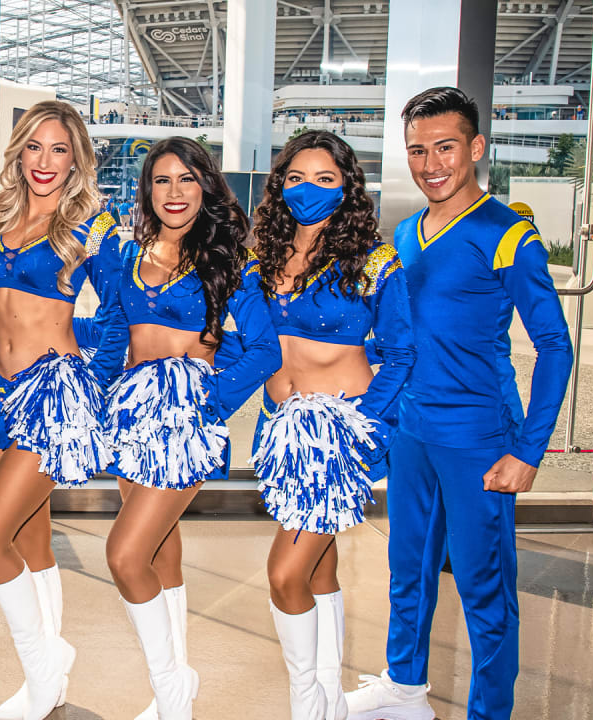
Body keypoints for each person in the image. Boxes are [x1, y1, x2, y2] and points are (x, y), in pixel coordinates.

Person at [347, 87, 573, 720]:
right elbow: (396, 335)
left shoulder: (508, 234)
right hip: (412, 432)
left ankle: (488, 712)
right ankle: (404, 688)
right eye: (417, 150)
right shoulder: (406, 233)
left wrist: (528, 450)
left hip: (478, 434)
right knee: (407, 569)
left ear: (475, 147)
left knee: (484, 589)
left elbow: (556, 347)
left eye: (445, 147)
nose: (431, 163)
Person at [102, 137, 281, 720]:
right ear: (146, 189)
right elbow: (110, 332)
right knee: (159, 552)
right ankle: (171, 692)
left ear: (206, 185)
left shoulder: (230, 260)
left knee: (125, 555)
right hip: (130, 419)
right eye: (161, 180)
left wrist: (207, 401)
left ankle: (172, 687)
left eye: (186, 179)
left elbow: (264, 351)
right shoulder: (127, 255)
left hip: (184, 425)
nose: (173, 192)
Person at [0, 100, 126, 720]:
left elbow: (117, 313)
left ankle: (42, 667)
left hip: (47, 400)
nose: (45, 161)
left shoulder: (95, 225)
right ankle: (49, 679)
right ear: (18, 152)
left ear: (77, 157)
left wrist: (89, 384)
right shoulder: (1, 214)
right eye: (34, 147)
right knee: (31, 537)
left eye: (59, 149)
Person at [250, 130, 415, 720]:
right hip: (284, 432)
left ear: (347, 187)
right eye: (297, 178)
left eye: (326, 178)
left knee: (283, 572)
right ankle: (331, 703)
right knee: (318, 566)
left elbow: (401, 351)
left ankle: (308, 708)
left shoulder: (374, 259)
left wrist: (362, 428)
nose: (309, 189)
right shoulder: (262, 256)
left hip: (338, 436)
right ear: (280, 184)